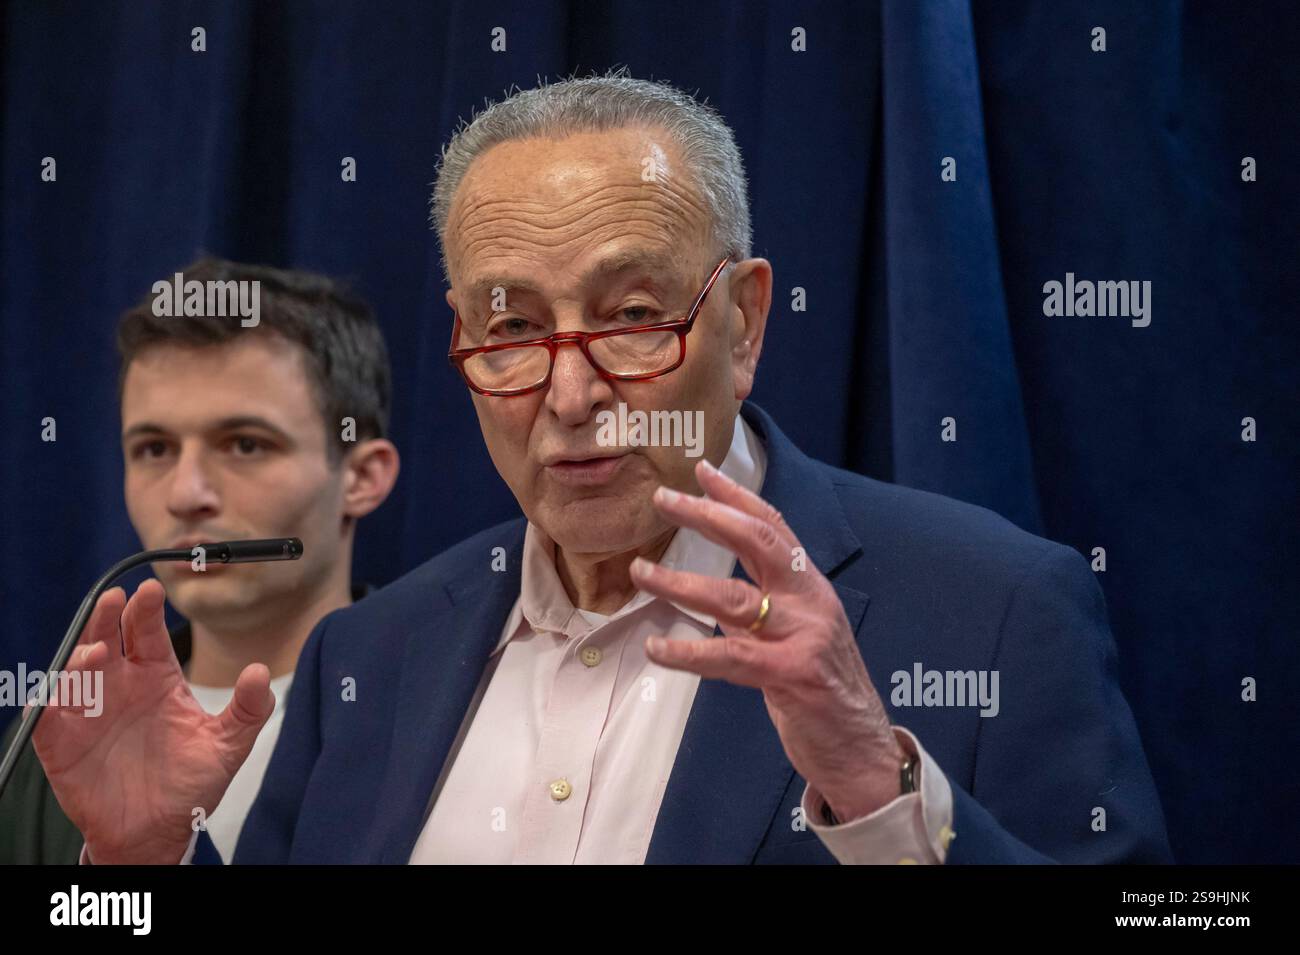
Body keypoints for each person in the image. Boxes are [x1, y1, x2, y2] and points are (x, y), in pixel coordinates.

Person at [35, 71, 1171, 864]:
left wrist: (879, 791)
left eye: (631, 315)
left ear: (744, 318)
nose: (571, 397)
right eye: (510, 327)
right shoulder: (367, 658)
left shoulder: (989, 607)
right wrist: (134, 863)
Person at [0, 258, 399, 863]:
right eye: (154, 448)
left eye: (244, 444)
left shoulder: (435, 712)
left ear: (362, 478)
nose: (186, 495)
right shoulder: (57, 737)